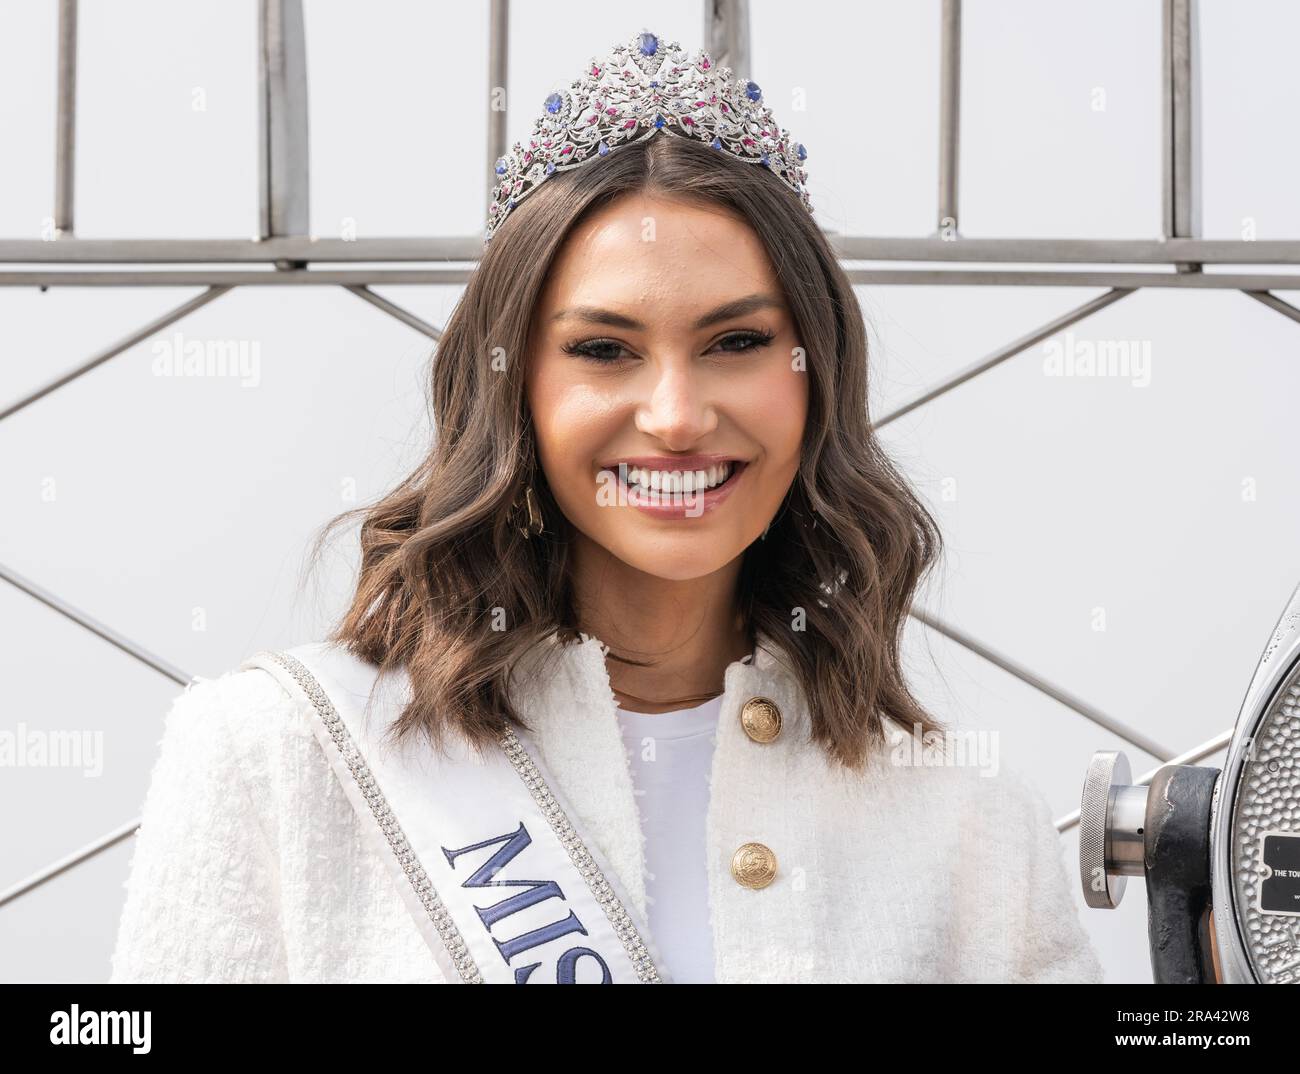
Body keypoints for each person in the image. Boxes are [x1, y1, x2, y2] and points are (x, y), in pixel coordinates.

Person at [108, 29, 1103, 984]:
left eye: (737, 342)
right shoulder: (280, 757)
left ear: (816, 374)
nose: (675, 416)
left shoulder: (966, 823)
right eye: (602, 350)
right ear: (513, 389)